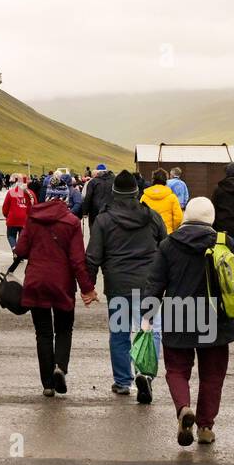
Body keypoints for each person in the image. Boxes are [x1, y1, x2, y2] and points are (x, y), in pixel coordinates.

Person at [144, 197, 234, 445]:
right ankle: (205, 427)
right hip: (216, 319)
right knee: (212, 375)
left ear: (187, 216)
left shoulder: (168, 244)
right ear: (211, 217)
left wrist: (147, 314)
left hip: (179, 314)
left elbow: (156, 283)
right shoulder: (224, 242)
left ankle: (183, 408)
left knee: (176, 370)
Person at [85, 169, 167, 402]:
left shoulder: (103, 220)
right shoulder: (152, 217)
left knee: (120, 333)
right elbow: (165, 248)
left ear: (114, 193)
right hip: (149, 285)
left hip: (118, 285)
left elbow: (93, 256)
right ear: (136, 192)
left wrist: (88, 286)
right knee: (149, 329)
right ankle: (147, 373)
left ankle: (123, 381)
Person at [12, 186, 98, 396]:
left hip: (36, 282)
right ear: (66, 200)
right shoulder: (72, 222)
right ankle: (60, 366)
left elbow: (21, 250)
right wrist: (88, 289)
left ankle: (48, 385)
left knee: (42, 333)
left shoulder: (33, 219)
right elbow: (77, 261)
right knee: (64, 329)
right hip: (62, 284)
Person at [141, 168, 184, 234]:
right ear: (166, 180)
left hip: (149, 234)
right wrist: (172, 230)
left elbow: (140, 216)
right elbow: (178, 218)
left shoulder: (144, 197)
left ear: (153, 180)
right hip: (167, 233)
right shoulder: (172, 197)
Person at [1, 175, 36, 251]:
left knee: (11, 235)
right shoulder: (31, 194)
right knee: (22, 237)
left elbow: (5, 207)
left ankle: (14, 248)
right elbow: (35, 207)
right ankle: (20, 252)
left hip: (13, 218)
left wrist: (6, 215)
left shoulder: (11, 192)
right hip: (25, 219)